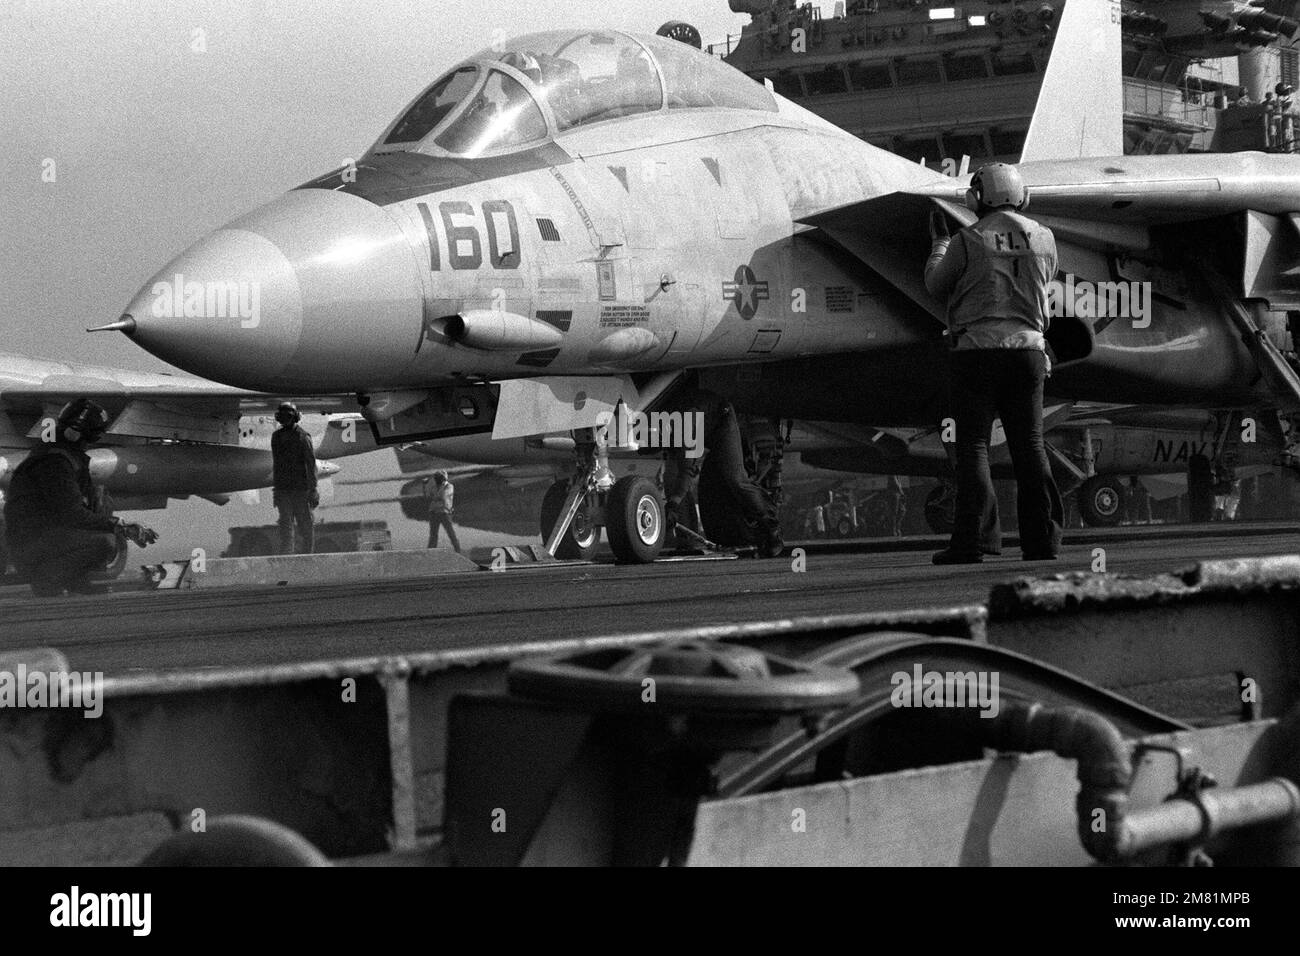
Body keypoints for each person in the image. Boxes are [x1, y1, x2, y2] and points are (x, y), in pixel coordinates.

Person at [924, 162, 1064, 563]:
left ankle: (974, 542)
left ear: (975, 199)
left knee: (973, 447)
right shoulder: (1045, 238)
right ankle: (1043, 542)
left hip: (977, 354)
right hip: (1028, 353)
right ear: (1024, 198)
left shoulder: (968, 239)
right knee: (1031, 446)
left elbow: (936, 286)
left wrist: (938, 245)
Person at [3, 398, 157, 597]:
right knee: (104, 542)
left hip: (30, 540)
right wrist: (119, 525)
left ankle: (74, 581)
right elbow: (71, 514)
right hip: (30, 544)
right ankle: (47, 580)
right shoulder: (56, 462)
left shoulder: (55, 454)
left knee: (99, 506)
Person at [661, 378, 784, 558]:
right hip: (694, 420)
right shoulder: (661, 423)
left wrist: (672, 504)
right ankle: (688, 542)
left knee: (736, 480)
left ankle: (772, 530)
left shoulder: (687, 423)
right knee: (672, 475)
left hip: (721, 420)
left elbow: (687, 470)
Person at [271, 401, 318, 554]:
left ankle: (307, 558)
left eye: (288, 416)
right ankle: (287, 559)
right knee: (286, 526)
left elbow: (311, 465)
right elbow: (277, 464)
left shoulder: (303, 437)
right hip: (284, 489)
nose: (285, 419)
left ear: (295, 417)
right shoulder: (276, 437)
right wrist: (276, 490)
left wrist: (313, 490)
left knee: (305, 526)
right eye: (282, 416)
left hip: (301, 490)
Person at [424, 470, 461, 551]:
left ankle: (458, 550)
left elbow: (443, 496)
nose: (436, 479)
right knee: (433, 535)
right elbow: (428, 496)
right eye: (436, 478)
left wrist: (435, 497)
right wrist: (426, 486)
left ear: (443, 478)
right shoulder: (434, 487)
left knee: (451, 534)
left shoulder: (449, 486)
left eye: (438, 478)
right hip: (434, 512)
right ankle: (430, 553)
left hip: (444, 513)